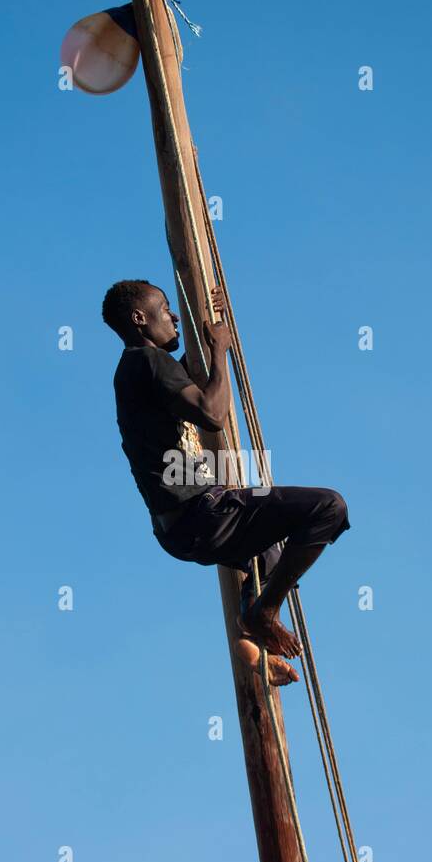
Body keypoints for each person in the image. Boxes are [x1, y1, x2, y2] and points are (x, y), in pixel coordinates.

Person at [102, 277, 350, 686]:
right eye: (165, 309)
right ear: (139, 318)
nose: (174, 315)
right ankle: (260, 615)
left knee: (273, 553)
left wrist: (209, 321)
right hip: (203, 513)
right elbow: (213, 412)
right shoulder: (145, 361)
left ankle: (251, 645)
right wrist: (219, 348)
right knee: (327, 507)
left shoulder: (138, 372)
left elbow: (190, 380)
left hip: (179, 529)